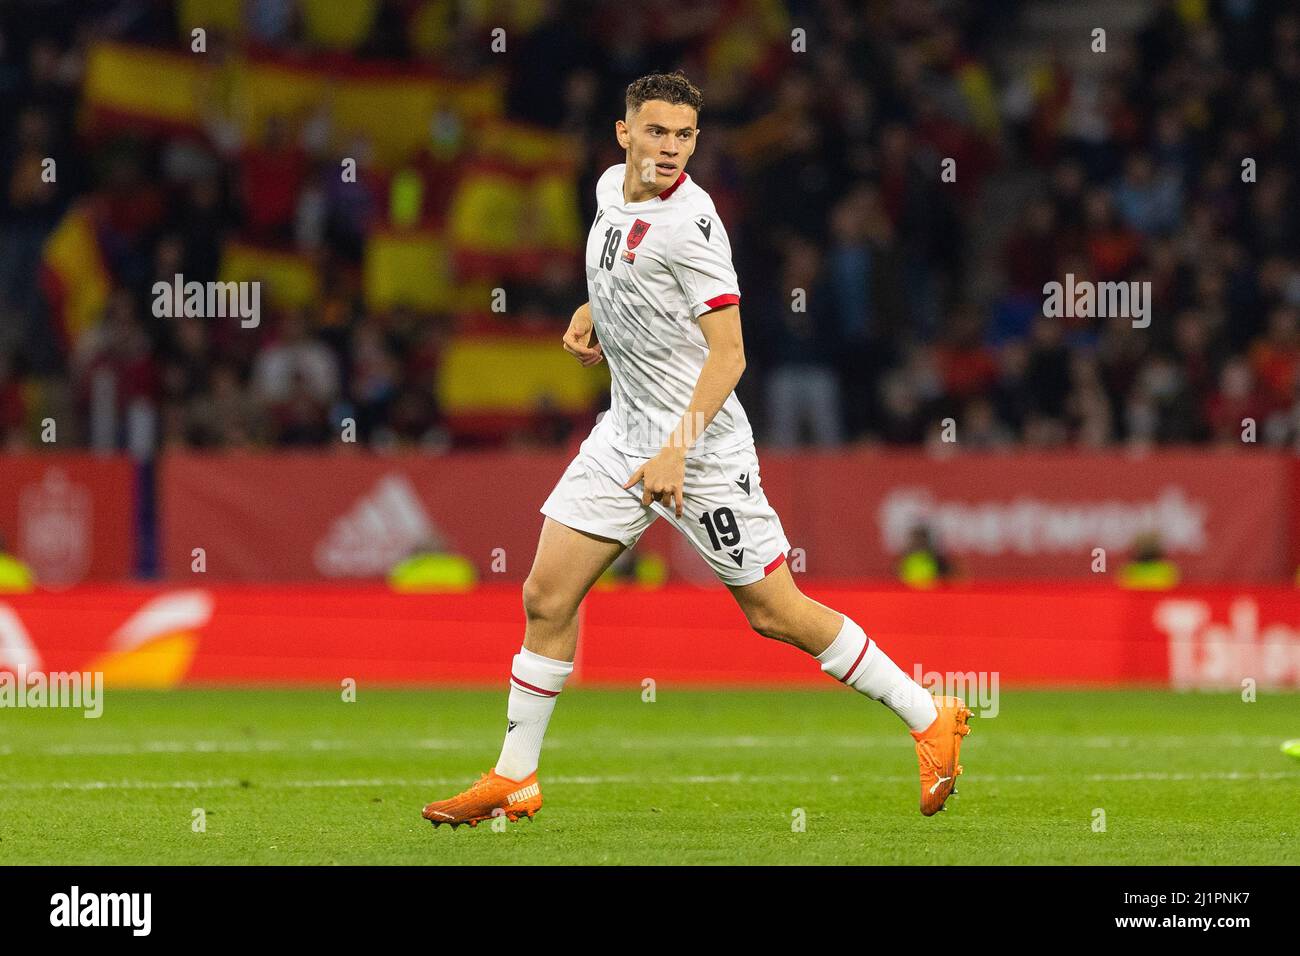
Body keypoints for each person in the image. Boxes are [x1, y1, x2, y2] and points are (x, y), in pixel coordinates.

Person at [421, 72, 971, 828]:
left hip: (701, 449)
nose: (669, 149)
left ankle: (927, 713)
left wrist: (678, 449)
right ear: (624, 134)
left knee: (776, 612)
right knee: (547, 596)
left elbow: (730, 355)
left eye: (683, 137)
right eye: (656, 132)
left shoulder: (695, 225)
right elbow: (626, 266)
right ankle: (514, 777)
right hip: (624, 435)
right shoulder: (611, 187)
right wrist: (595, 308)